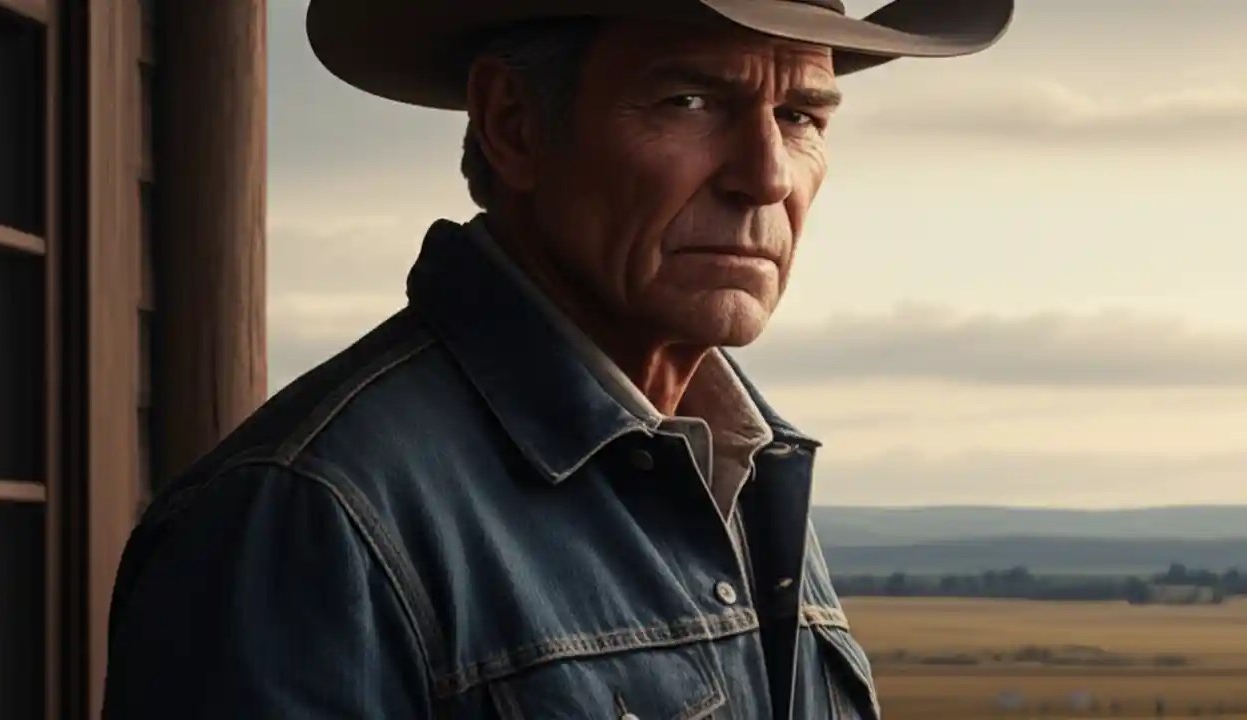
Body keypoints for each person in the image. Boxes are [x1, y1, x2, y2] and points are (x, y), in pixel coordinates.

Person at [101, 0, 1013, 717]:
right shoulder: (308, 520)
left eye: (802, 114)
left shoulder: (740, 467)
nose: (767, 175)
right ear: (514, 124)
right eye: (690, 101)